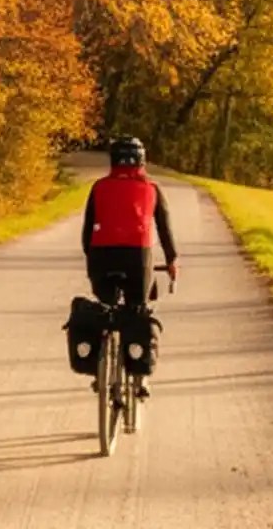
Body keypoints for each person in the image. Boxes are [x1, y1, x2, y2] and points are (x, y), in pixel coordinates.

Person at [81, 136, 178, 398]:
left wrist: (92, 259)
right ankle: (141, 377)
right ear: (142, 161)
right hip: (138, 258)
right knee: (138, 310)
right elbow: (164, 230)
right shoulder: (152, 189)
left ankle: (101, 366)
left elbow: (87, 232)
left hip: (101, 259)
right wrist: (171, 261)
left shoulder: (98, 187)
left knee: (107, 308)